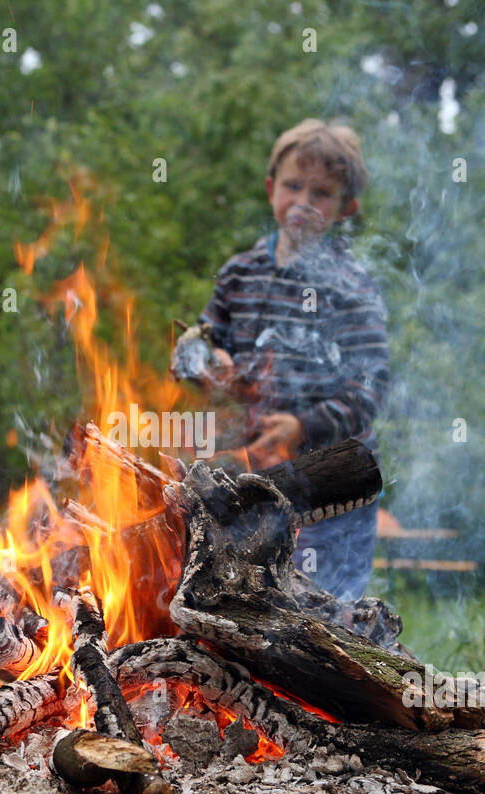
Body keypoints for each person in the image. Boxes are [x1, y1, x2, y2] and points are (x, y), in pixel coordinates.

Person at [183, 118, 389, 600]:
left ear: (346, 208)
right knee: (249, 602)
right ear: (271, 188)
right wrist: (208, 361)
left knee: (325, 609)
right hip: (250, 476)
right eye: (293, 186)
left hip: (334, 485)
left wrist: (303, 425)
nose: (303, 202)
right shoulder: (240, 273)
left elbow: (371, 387)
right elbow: (194, 342)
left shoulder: (353, 285)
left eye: (321, 193)